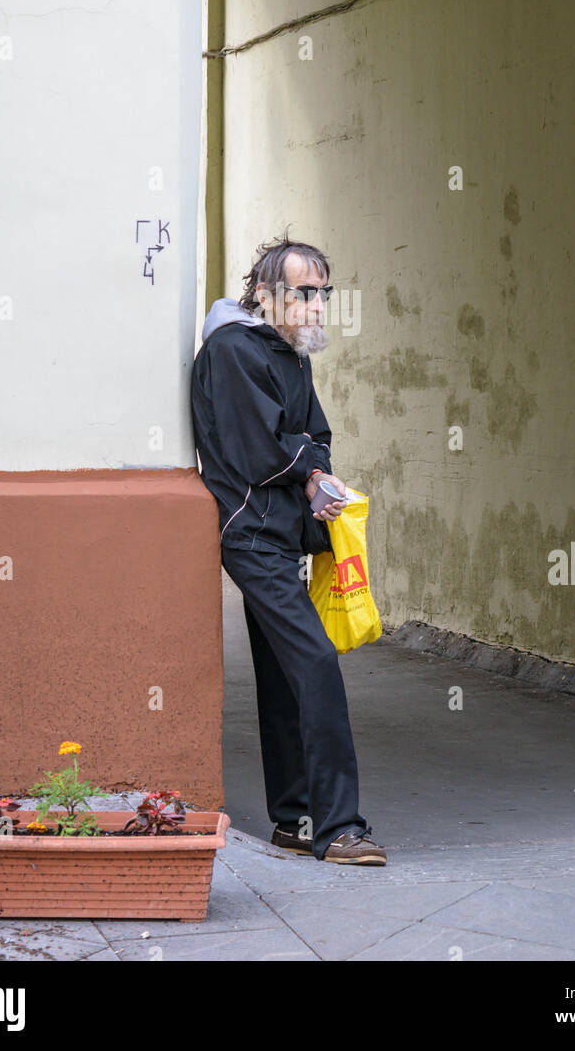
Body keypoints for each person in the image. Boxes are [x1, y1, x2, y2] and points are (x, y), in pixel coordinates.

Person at [190, 231, 386, 864]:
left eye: (324, 292)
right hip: (250, 532)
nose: (318, 305)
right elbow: (260, 448)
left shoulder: (289, 352)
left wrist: (311, 464)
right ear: (267, 293)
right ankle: (339, 829)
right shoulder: (234, 350)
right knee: (316, 664)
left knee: (280, 675)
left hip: (283, 530)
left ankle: (294, 821)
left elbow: (315, 434)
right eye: (306, 292)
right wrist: (307, 467)